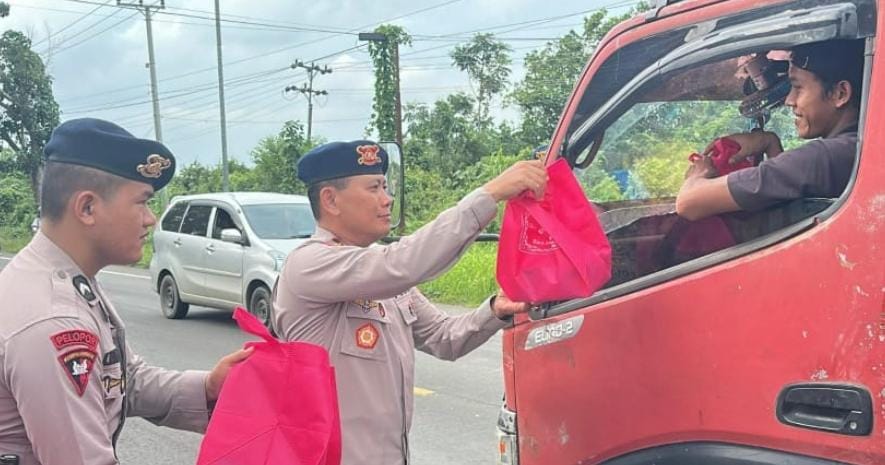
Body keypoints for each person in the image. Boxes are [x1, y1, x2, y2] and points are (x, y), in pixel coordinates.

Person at [273, 140, 547, 465]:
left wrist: (493, 311)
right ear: (331, 200)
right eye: (374, 188)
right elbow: (404, 264)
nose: (387, 198)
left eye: (385, 186)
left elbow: (444, 338)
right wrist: (489, 195)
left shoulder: (380, 273)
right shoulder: (309, 264)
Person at [0, 118, 252, 465]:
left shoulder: (68, 279)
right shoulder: (54, 320)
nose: (150, 219)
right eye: (141, 202)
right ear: (87, 208)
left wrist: (208, 387)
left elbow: (124, 380)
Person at [676, 39, 864, 221]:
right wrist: (769, 142)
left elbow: (689, 202)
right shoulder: (851, 150)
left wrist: (699, 173)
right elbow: (787, 192)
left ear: (840, 94)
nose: (789, 100)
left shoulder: (825, 156)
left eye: (798, 88)